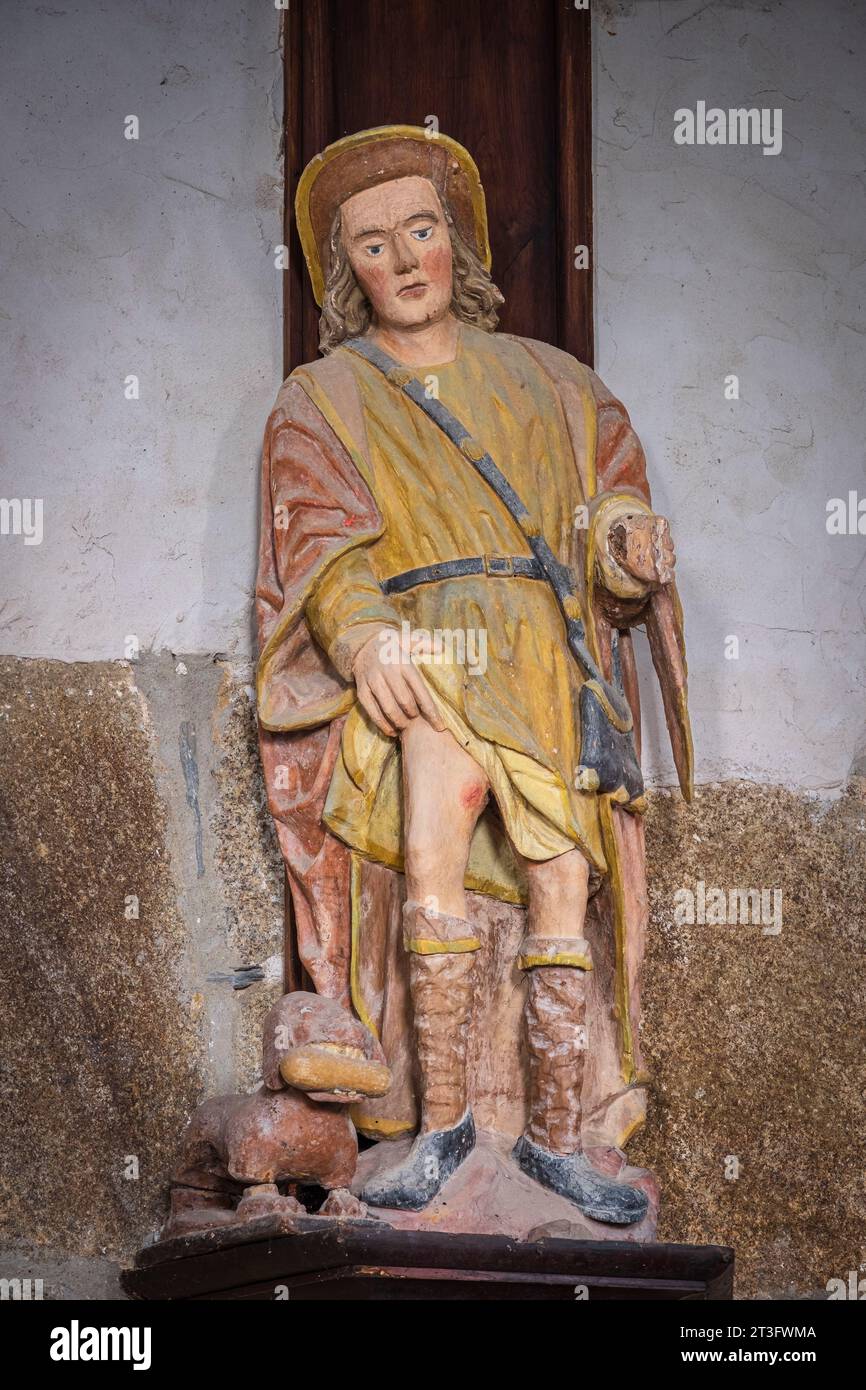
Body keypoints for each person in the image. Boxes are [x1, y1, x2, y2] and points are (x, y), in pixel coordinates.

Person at [256, 126, 692, 1223]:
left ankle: (554, 1139)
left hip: (544, 660)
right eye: (370, 244)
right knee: (430, 867)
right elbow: (318, 549)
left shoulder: (553, 382)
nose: (403, 260)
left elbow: (606, 500)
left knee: (560, 887)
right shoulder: (324, 397)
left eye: (420, 230)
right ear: (345, 274)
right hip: (430, 654)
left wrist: (628, 542)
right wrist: (362, 639)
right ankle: (437, 1122)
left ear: (456, 243)